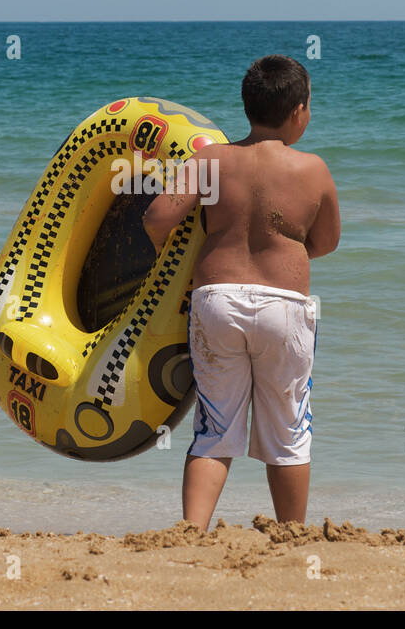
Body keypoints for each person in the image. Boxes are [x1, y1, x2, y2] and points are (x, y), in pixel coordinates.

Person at [142, 55, 340, 530]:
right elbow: (327, 242)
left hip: (217, 302)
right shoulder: (312, 170)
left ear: (247, 105)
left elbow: (157, 219)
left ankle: (192, 533)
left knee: (214, 430)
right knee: (290, 429)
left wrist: (168, 267)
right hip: (284, 309)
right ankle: (291, 534)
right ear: (299, 112)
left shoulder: (211, 161)